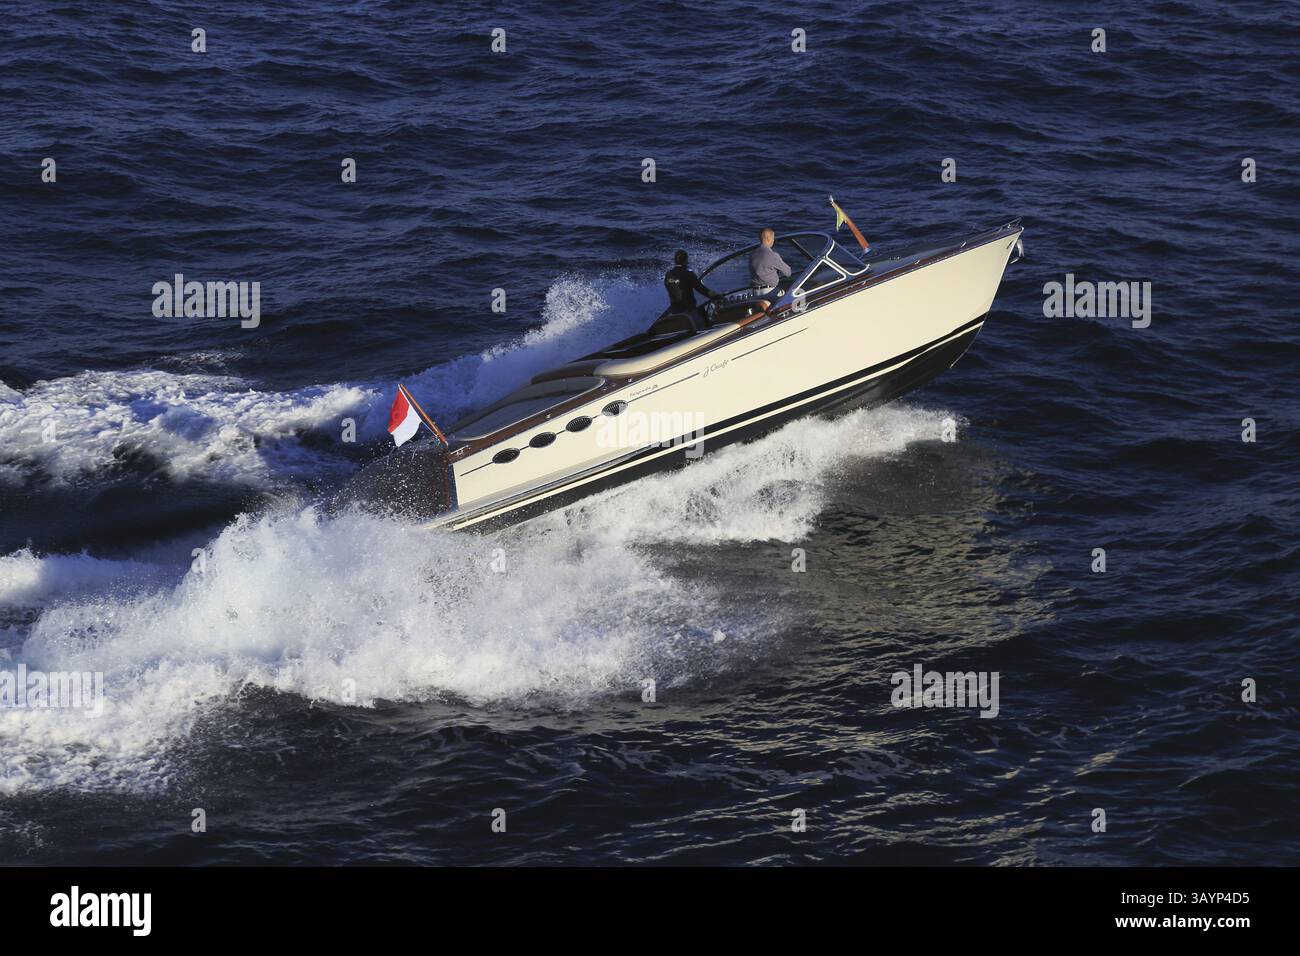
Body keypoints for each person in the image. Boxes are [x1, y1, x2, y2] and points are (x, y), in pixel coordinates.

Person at [663, 249, 716, 331]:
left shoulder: (668, 275)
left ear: (675, 261)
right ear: (686, 261)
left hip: (675, 312)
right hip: (689, 312)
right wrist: (717, 296)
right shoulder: (688, 274)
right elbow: (702, 290)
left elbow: (675, 286)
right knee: (705, 328)